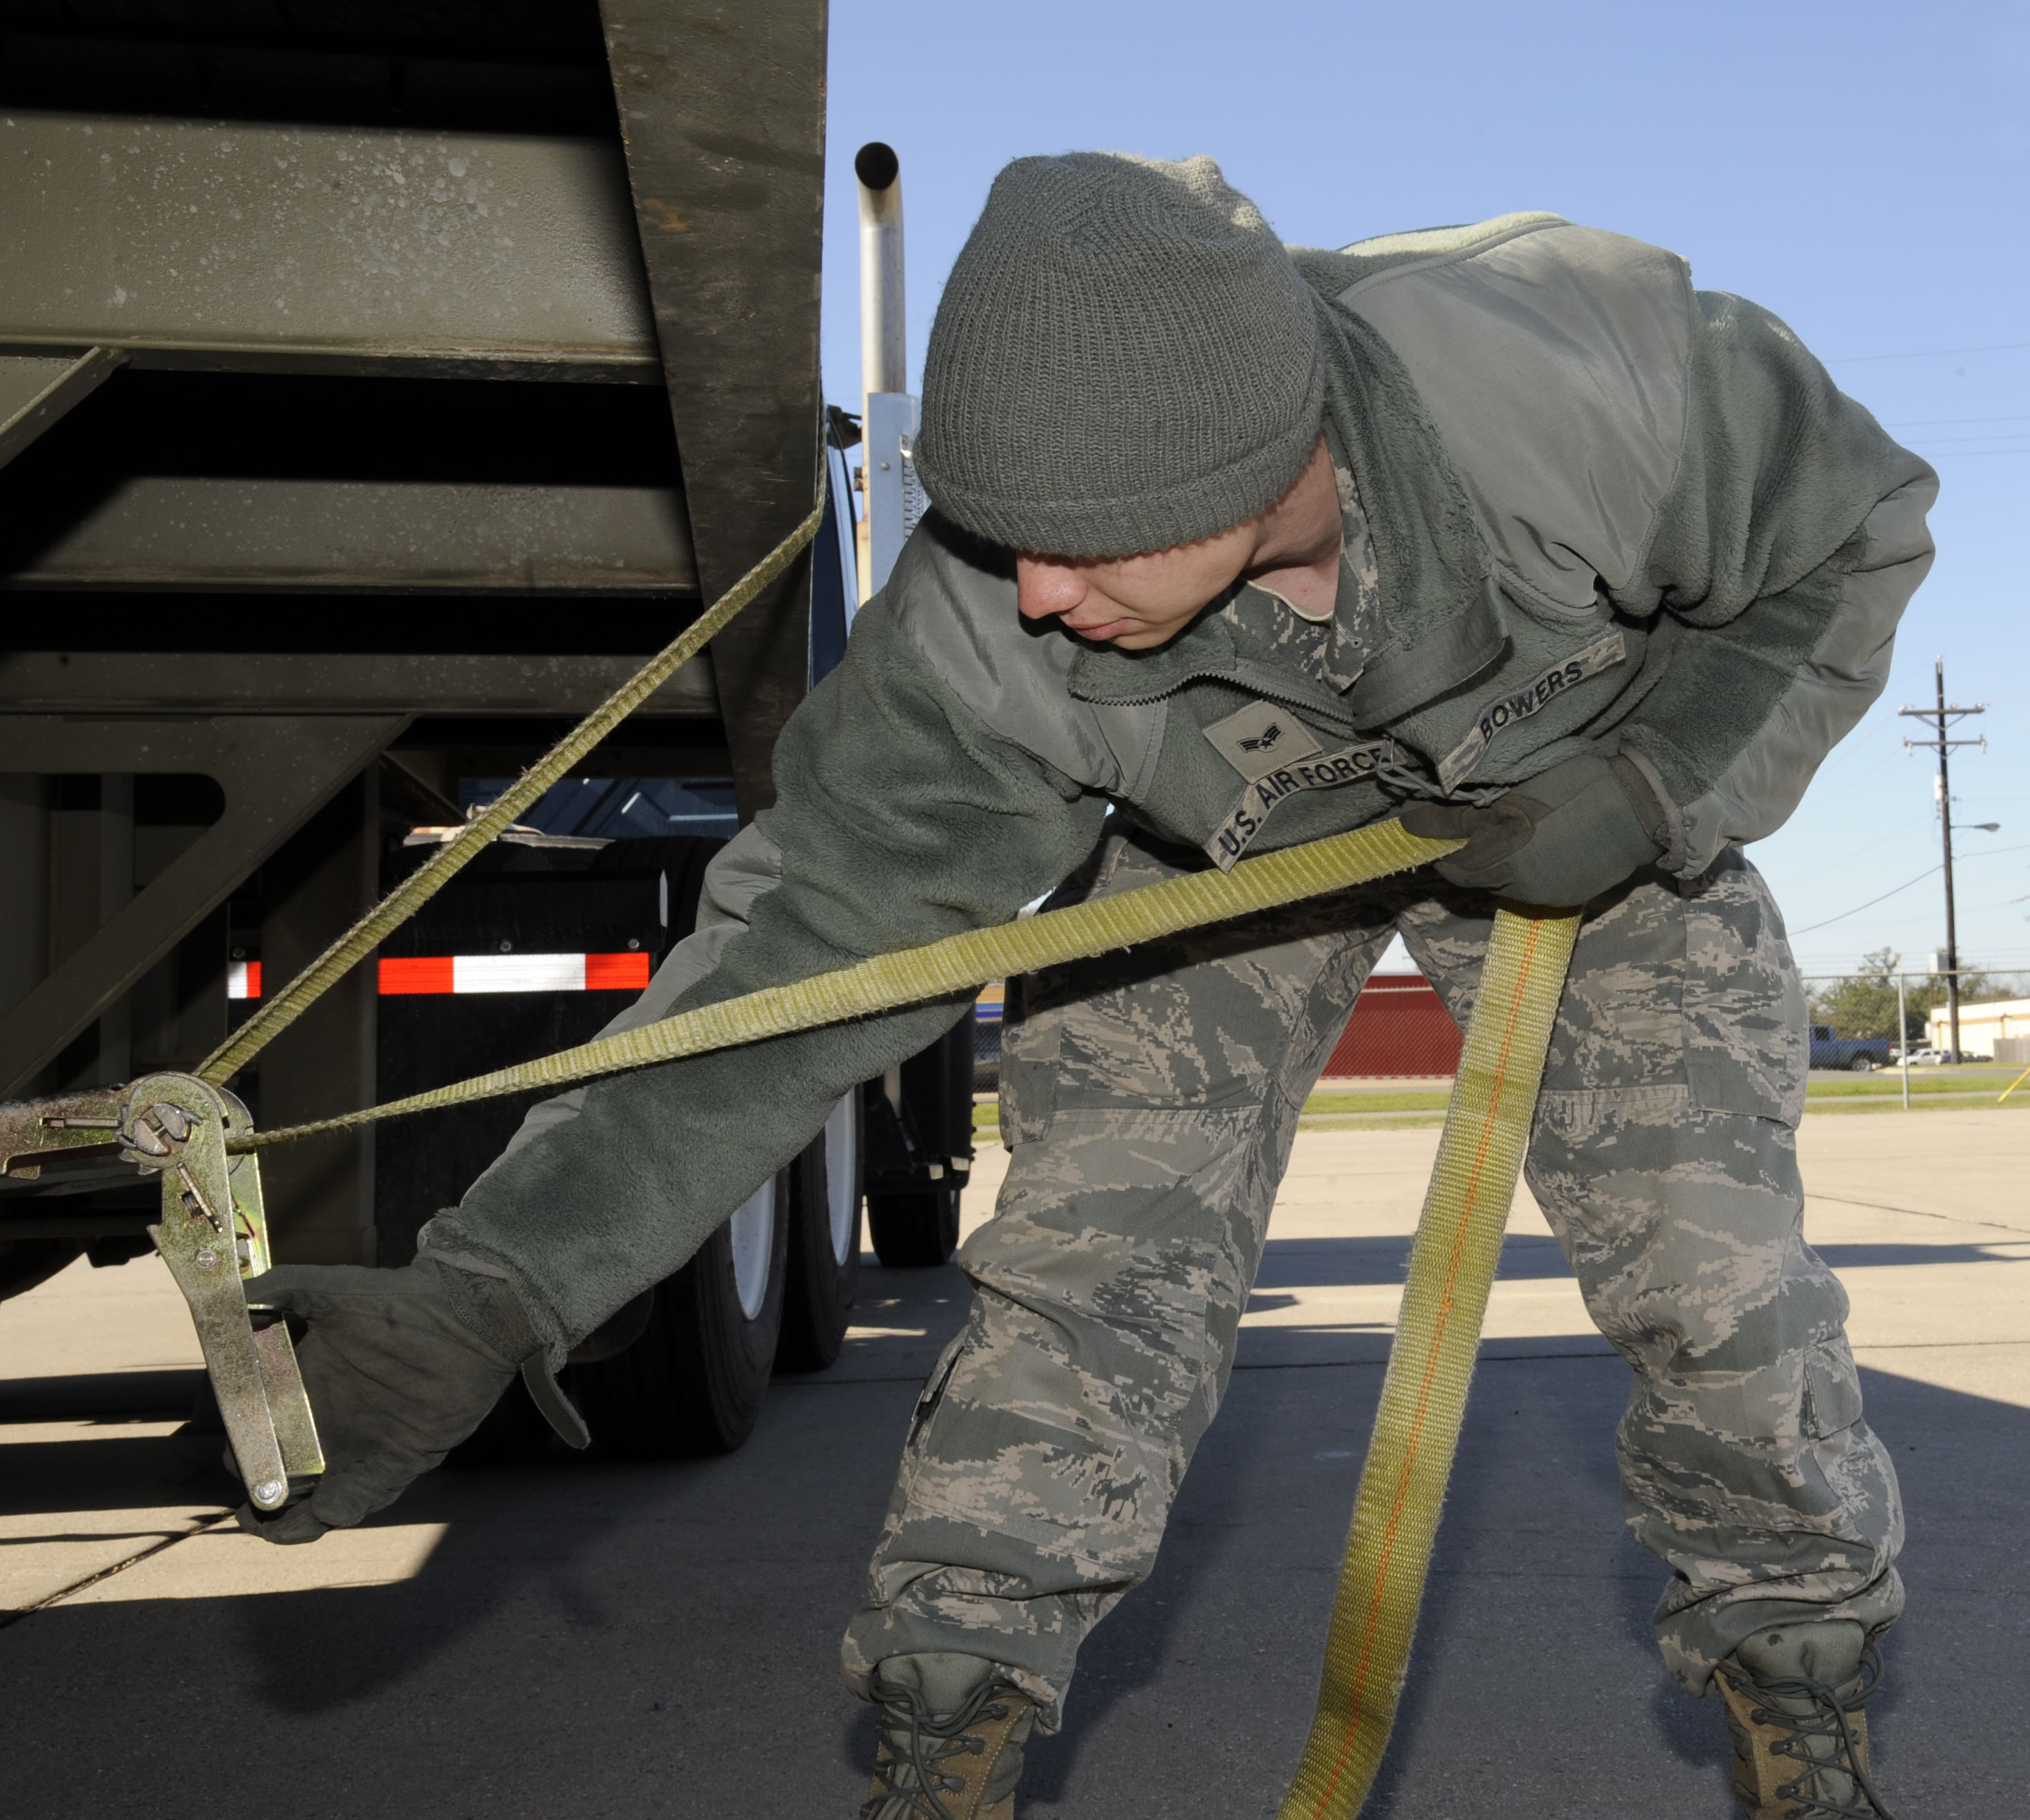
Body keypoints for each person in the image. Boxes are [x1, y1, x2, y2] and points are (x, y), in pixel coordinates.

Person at [247, 155, 1935, 1820]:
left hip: (1577, 819)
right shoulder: (989, 632)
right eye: (1006, 541)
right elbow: (796, 957)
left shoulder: (1578, 378)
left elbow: (1851, 538)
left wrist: (1657, 784)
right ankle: (950, 1731)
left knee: (1715, 1271)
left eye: (1079, 545)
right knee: (1092, 1270)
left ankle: (1802, 1702)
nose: (1035, 590)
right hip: (1221, 858)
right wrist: (498, 1285)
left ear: (1263, 468)